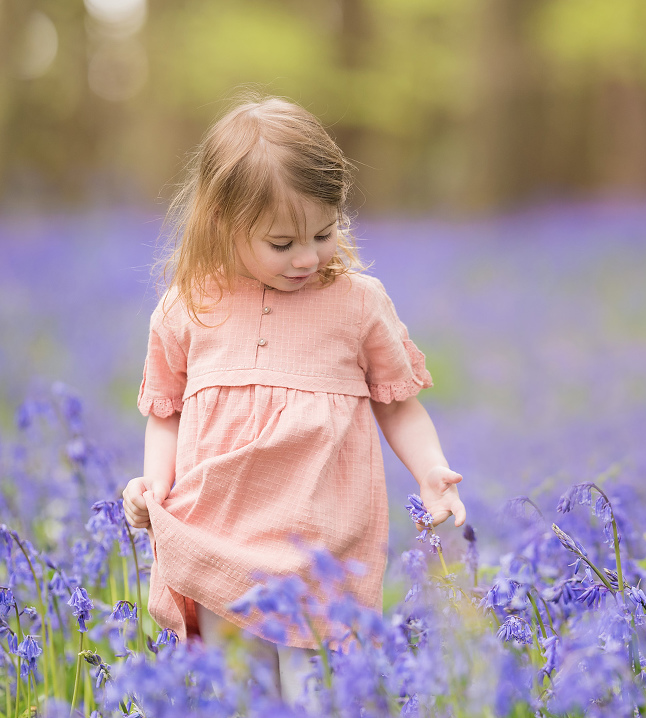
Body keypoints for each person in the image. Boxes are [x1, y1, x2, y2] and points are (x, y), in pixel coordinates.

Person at [121, 95, 466, 703]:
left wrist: (431, 471)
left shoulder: (358, 303)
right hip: (220, 541)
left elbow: (398, 402)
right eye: (283, 244)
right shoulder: (188, 307)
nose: (308, 258)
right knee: (237, 694)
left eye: (324, 233)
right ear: (224, 225)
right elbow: (165, 413)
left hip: (323, 551)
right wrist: (154, 483)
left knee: (318, 696)